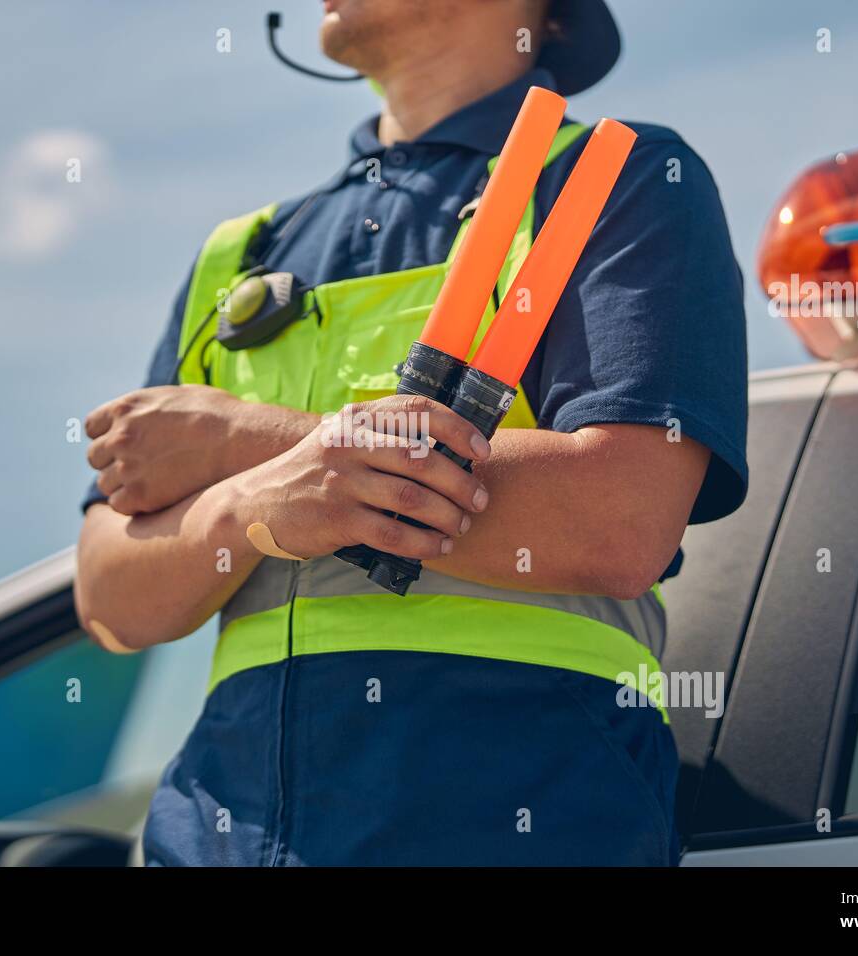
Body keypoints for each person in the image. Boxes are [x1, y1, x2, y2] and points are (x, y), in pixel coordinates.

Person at [75, 0, 748, 865]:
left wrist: (242, 441)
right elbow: (109, 600)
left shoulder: (616, 178)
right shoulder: (240, 255)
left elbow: (618, 518)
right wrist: (244, 504)